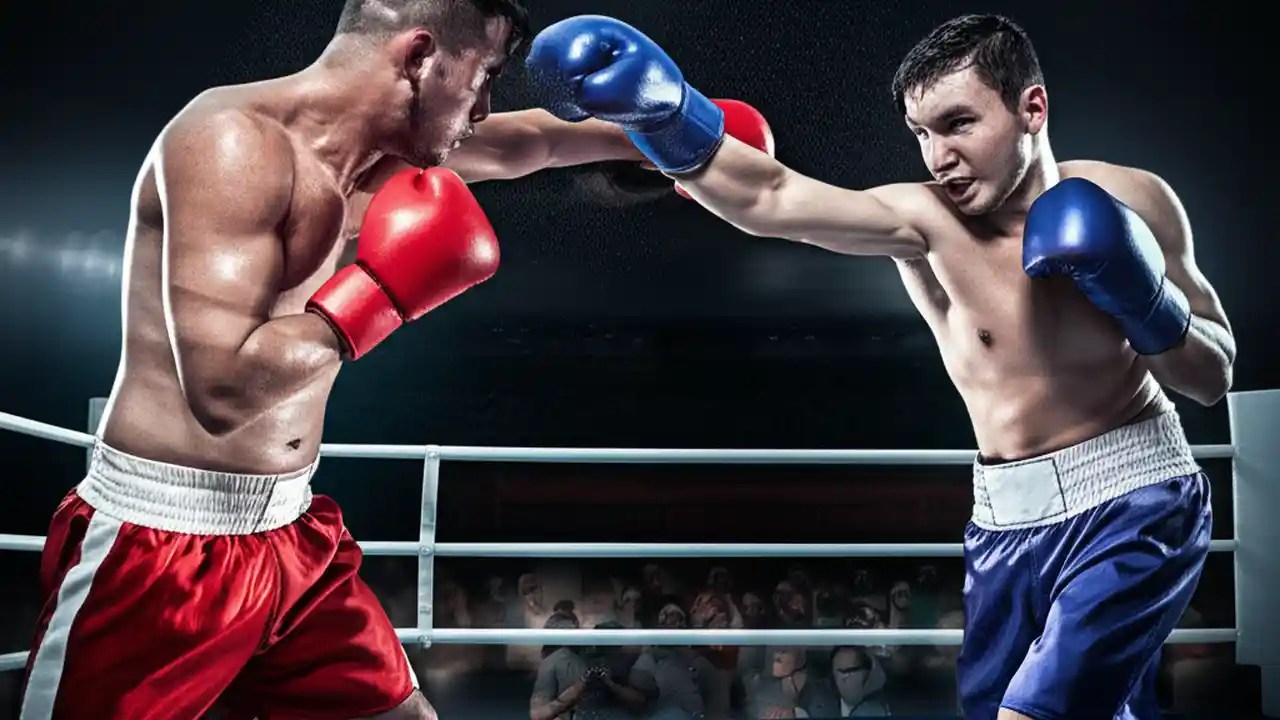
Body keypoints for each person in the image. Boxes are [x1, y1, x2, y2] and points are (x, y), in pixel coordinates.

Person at [525, 12, 1236, 720]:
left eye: (959, 124)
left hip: (1137, 501)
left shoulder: (1137, 201)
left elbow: (1212, 376)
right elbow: (771, 197)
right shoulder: (923, 223)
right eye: (922, 134)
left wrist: (1148, 301)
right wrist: (668, 112)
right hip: (1004, 525)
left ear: (1032, 108)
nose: (938, 157)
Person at [20, 2, 647, 719]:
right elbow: (220, 390)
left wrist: (677, 133)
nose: (486, 106)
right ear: (419, 57)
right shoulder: (234, 144)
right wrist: (382, 291)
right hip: (160, 548)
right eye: (483, 77)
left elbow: (528, 145)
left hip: (292, 534)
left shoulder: (376, 157)